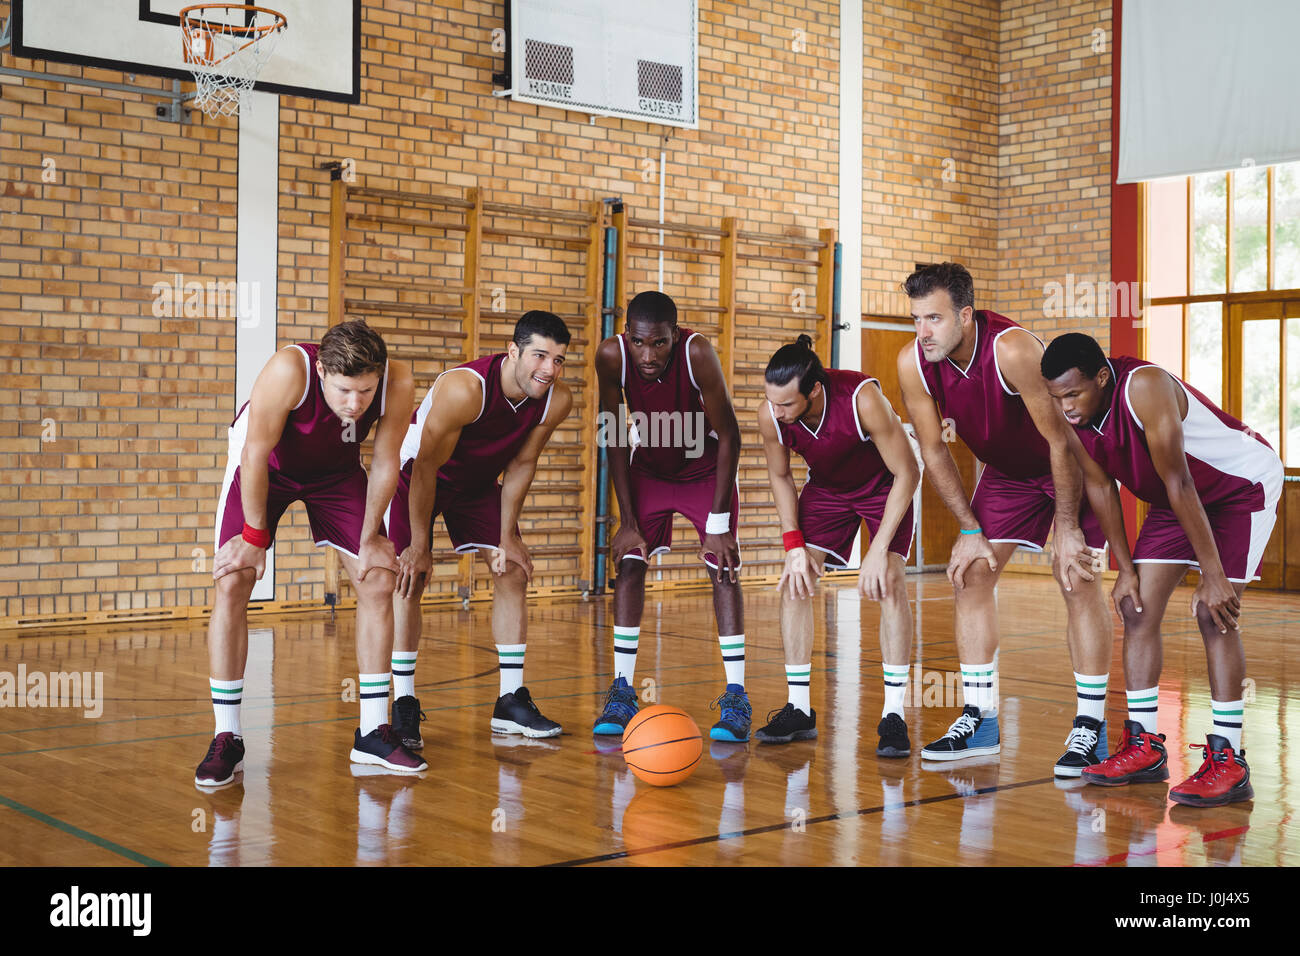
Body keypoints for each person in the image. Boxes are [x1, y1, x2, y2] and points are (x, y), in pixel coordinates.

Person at [1041, 333, 1283, 807]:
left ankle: (1229, 760)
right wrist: (1124, 568)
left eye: (1073, 394)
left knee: (1214, 614)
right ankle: (1145, 746)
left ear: (1102, 377)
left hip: (1239, 489)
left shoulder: (1144, 387)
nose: (1065, 407)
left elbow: (1178, 478)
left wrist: (1211, 574)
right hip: (1179, 502)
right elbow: (1100, 485)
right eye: (1057, 397)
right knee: (1136, 608)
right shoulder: (1073, 415)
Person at [896, 262, 1112, 773]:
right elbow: (932, 449)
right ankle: (981, 717)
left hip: (1069, 465)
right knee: (970, 576)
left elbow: (1062, 439)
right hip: (1008, 476)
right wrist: (970, 529)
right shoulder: (914, 364)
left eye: (934, 319)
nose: (923, 331)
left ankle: (1091, 727)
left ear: (965, 316)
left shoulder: (1012, 350)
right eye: (915, 319)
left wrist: (1067, 523)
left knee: (1076, 577)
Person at [198, 319, 424, 787]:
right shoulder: (288, 371)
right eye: (344, 391)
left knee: (379, 577)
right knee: (234, 579)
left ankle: (372, 731)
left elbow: (384, 460)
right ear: (320, 370)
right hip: (267, 466)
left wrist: (370, 536)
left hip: (336, 475)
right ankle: (227, 738)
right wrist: (256, 539)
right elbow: (255, 454)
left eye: (365, 392)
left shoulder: (397, 381)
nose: (355, 404)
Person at [388, 311, 573, 742]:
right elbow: (426, 466)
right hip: (414, 476)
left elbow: (523, 463)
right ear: (513, 351)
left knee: (511, 569)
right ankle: (404, 703)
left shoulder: (555, 400)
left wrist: (507, 535)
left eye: (559, 360)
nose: (549, 369)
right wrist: (419, 544)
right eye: (540, 356)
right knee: (408, 579)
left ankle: (509, 701)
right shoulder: (464, 389)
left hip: (474, 483)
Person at [590, 291, 751, 740]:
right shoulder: (610, 356)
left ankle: (736, 697)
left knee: (723, 568)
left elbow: (731, 434)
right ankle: (622, 689)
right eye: (639, 343)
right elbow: (614, 436)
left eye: (659, 343)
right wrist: (626, 520)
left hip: (704, 465)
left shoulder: (697, 351)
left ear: (674, 336)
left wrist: (718, 526)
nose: (648, 355)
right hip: (650, 469)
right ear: (626, 336)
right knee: (630, 562)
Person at [756, 335, 920, 751]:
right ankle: (798, 708)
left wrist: (879, 550)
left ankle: (894, 714)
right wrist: (793, 545)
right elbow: (780, 476)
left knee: (890, 583)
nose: (777, 413)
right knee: (795, 580)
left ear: (814, 390)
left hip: (884, 487)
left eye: (786, 405)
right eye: (771, 403)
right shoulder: (772, 416)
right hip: (827, 491)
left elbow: (908, 472)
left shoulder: (862, 399)